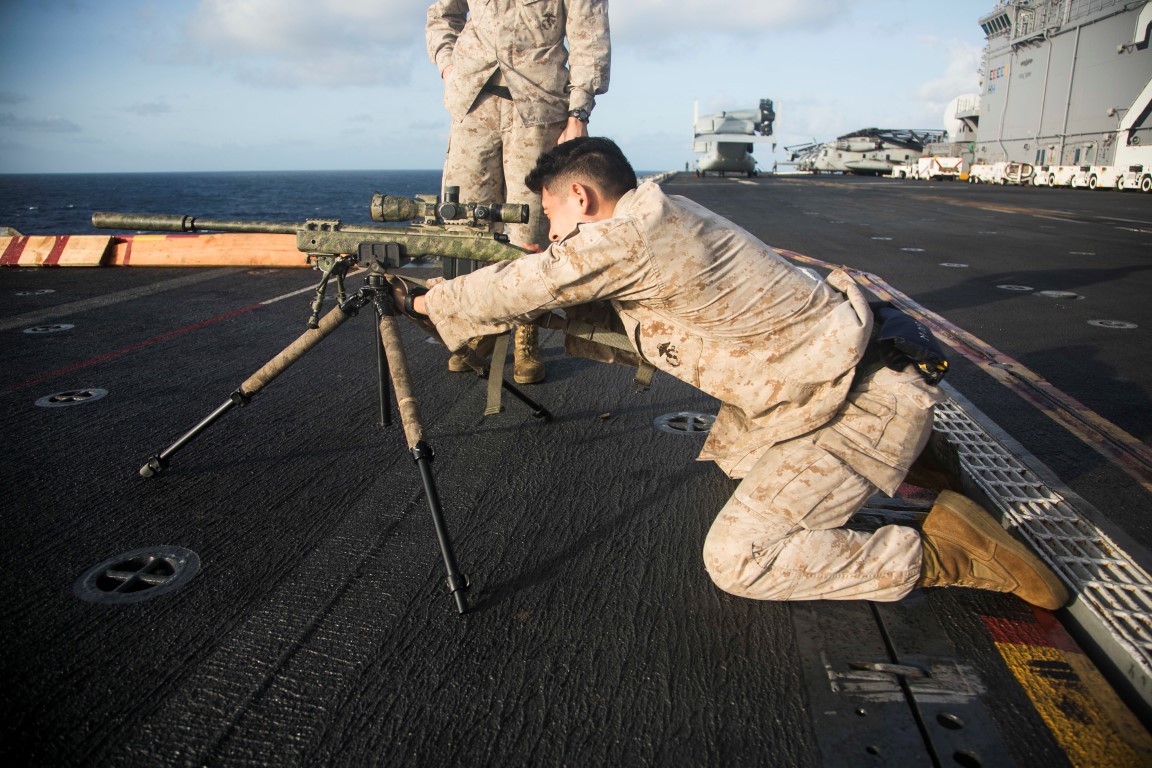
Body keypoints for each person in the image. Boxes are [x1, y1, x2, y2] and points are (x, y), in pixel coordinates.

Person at [396, 137, 1069, 609]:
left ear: (578, 194)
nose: (551, 233)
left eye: (553, 214)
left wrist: (434, 301)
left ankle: (950, 552)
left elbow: (531, 281)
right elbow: (602, 315)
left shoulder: (632, 235)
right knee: (745, 462)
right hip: (841, 385)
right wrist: (451, 306)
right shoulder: (660, 225)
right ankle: (930, 465)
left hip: (856, 403)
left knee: (739, 560)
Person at [425, 0, 611, 384]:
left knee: (529, 227)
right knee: (466, 223)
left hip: (539, 106)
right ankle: (482, 325)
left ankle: (526, 331)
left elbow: (588, 33)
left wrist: (579, 113)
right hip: (472, 103)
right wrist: (447, 64)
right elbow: (443, 13)